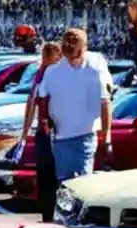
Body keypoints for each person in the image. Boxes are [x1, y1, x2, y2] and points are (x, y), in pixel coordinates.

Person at [37, 28, 112, 183]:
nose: (73, 57)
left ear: (84, 48)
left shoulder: (95, 67)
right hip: (61, 138)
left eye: (76, 51)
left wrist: (107, 134)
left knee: (82, 185)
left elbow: (105, 101)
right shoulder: (53, 71)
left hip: (85, 135)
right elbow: (41, 98)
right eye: (68, 51)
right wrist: (46, 120)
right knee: (64, 185)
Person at [17, 42, 63, 221]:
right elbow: (31, 104)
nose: (44, 60)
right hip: (45, 132)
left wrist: (25, 131)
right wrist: (25, 132)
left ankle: (53, 213)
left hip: (56, 130)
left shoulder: (57, 75)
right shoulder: (41, 76)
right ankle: (48, 214)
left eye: (48, 56)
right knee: (46, 175)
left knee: (53, 175)